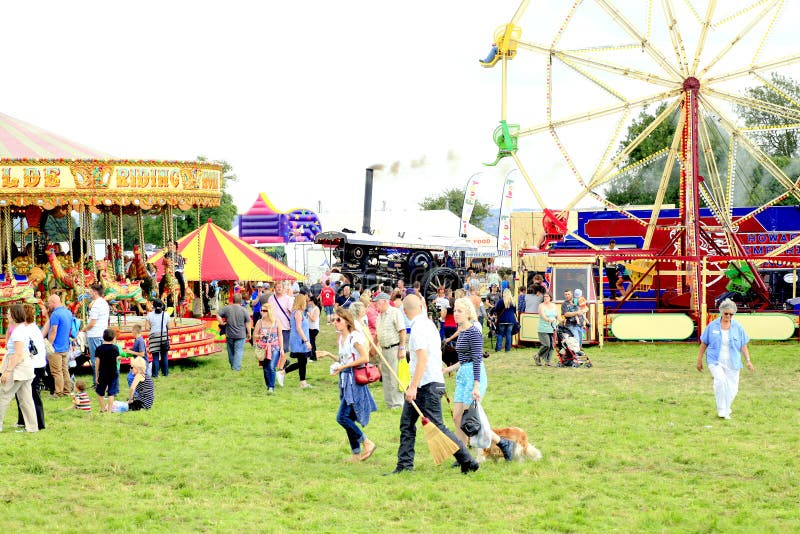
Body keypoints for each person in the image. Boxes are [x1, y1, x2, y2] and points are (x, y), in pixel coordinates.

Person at [386, 295, 480, 475]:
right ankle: (404, 465)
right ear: (421, 307)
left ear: (404, 311)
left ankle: (468, 460)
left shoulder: (419, 328)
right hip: (425, 383)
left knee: (437, 427)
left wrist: (413, 387)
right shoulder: (428, 324)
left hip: (426, 385)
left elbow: (422, 358)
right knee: (406, 424)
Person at [442, 298, 515, 461]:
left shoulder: (474, 332)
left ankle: (503, 443)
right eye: (455, 311)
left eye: (459, 311)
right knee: (457, 418)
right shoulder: (462, 331)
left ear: (468, 313)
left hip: (474, 376)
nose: (455, 314)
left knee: (470, 420)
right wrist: (447, 369)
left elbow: (476, 359)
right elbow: (463, 360)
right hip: (463, 376)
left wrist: (476, 386)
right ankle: (464, 457)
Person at [315, 306, 377, 462]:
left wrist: (343, 367)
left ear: (347, 321)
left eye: (338, 320)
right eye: (333, 320)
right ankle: (356, 454)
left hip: (354, 382)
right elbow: (343, 359)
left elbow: (365, 358)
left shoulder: (354, 337)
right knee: (348, 418)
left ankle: (367, 442)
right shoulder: (341, 339)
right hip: (345, 381)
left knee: (342, 417)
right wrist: (328, 355)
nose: (335, 322)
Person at [696, 299, 754, 419]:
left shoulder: (738, 327)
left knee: (733, 388)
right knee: (720, 381)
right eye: (726, 313)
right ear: (721, 312)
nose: (728, 316)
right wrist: (699, 360)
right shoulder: (712, 326)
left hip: (733, 361)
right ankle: (721, 410)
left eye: (731, 314)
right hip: (715, 360)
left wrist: (748, 361)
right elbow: (704, 343)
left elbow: (743, 345)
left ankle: (727, 409)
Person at [0, 304, 37, 432]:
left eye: (9, 313)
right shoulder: (20, 329)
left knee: (3, 394)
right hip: (24, 368)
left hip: (18, 368)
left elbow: (17, 354)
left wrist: (8, 371)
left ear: (14, 316)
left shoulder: (18, 332)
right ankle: (32, 427)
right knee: (26, 399)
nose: (7, 315)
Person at [373, 292, 407, 409]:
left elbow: (402, 331)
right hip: (384, 349)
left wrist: (401, 348)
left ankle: (397, 404)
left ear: (384, 302)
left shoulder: (395, 313)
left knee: (394, 376)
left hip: (394, 348)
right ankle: (389, 403)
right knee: (386, 377)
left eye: (377, 302)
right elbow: (377, 334)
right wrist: (373, 348)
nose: (376, 305)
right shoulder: (379, 316)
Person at [17, 304, 47, 430]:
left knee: (32, 395)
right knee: (24, 393)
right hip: (38, 364)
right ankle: (23, 420)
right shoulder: (33, 328)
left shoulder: (27, 330)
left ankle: (38, 422)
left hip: (33, 365)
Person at [41, 293, 72, 397]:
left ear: (53, 302)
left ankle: (58, 392)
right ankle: (67, 390)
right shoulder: (68, 312)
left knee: (56, 372)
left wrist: (49, 344)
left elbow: (53, 330)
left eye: (49, 303)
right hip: (65, 346)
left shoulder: (55, 314)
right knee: (65, 370)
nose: (48, 305)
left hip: (56, 348)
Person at [279, 293, 313, 388]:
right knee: (302, 362)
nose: (306, 303)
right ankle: (283, 372)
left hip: (300, 339)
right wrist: (306, 341)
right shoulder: (297, 313)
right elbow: (298, 328)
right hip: (299, 340)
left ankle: (303, 382)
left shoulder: (299, 312)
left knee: (303, 361)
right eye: (305, 301)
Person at [253, 303, 283, 394]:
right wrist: (259, 336)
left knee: (271, 366)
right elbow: (254, 335)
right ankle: (268, 385)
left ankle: (271, 387)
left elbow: (280, 335)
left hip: (275, 347)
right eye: (261, 310)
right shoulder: (259, 322)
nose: (262, 312)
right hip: (263, 348)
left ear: (269, 311)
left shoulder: (276, 321)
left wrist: (282, 348)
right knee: (265, 368)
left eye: (264, 311)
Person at [82, 283, 109, 386]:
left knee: (95, 360)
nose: (89, 293)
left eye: (90, 291)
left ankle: (97, 382)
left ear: (95, 292)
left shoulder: (96, 305)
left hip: (94, 334)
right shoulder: (104, 303)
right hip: (102, 333)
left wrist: (84, 329)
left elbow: (92, 322)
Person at [217, 294, 252, 372]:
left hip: (229, 334)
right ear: (241, 301)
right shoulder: (244, 310)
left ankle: (233, 366)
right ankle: (235, 368)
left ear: (232, 300)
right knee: (238, 351)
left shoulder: (227, 308)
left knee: (231, 352)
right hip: (241, 334)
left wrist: (221, 323)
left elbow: (218, 314)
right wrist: (249, 333)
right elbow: (248, 322)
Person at [94, 328, 120, 413]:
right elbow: (116, 360)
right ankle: (109, 411)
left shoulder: (99, 349)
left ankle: (102, 409)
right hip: (113, 373)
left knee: (100, 392)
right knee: (111, 393)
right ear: (113, 338)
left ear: (103, 337)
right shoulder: (115, 348)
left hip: (103, 373)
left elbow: (97, 363)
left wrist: (96, 375)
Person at [146, 299, 171, 378]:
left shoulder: (149, 315)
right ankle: (165, 373)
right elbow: (169, 326)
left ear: (153, 306)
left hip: (154, 337)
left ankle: (155, 374)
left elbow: (147, 328)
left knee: (155, 357)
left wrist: (153, 327)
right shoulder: (166, 315)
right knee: (164, 356)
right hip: (164, 337)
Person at [268, 282, 293, 350]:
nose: (279, 288)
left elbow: (291, 312)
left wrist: (293, 324)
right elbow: (269, 311)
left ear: (283, 288)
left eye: (280, 287)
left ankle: (284, 357)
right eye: (277, 287)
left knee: (284, 348)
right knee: (274, 348)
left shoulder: (288, 299)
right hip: (273, 327)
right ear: (274, 288)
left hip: (285, 327)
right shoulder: (271, 298)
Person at [536, 293, 558, 366]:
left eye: (547, 296)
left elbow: (557, 316)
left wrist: (562, 321)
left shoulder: (554, 305)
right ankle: (537, 356)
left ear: (550, 297)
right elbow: (543, 316)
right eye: (544, 296)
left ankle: (547, 362)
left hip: (552, 328)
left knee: (552, 346)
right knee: (546, 345)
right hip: (543, 328)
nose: (545, 297)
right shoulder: (541, 305)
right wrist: (548, 320)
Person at [306, 294, 321, 361]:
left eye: (309, 301)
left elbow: (314, 319)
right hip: (309, 328)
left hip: (314, 328)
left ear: (312, 301)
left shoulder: (316, 309)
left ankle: (313, 357)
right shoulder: (310, 308)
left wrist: (309, 315)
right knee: (311, 342)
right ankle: (311, 356)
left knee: (312, 342)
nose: (308, 302)